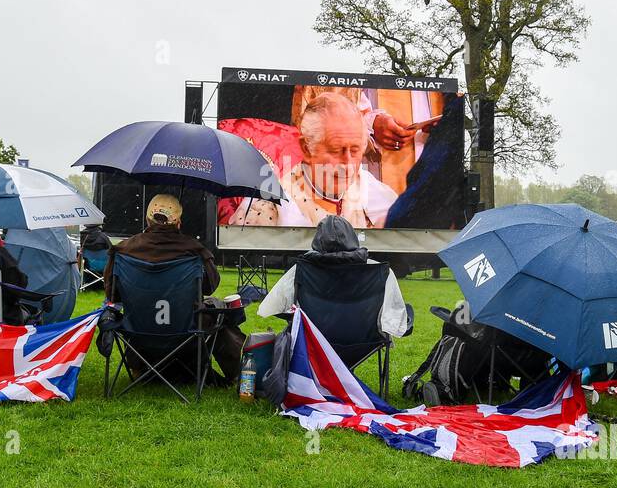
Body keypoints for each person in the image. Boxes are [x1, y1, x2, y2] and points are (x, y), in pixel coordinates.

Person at [108, 194, 242, 383]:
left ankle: (139, 367)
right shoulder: (194, 250)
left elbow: (112, 294)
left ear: (147, 218)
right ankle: (236, 375)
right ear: (178, 221)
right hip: (185, 333)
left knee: (131, 314)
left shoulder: (122, 250)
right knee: (219, 312)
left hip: (138, 331)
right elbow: (210, 287)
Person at [232, 92, 399, 228]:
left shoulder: (375, 193)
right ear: (306, 148)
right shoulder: (267, 207)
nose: (347, 164)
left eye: (355, 151)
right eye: (335, 151)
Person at [258, 214, 411, 337]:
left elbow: (270, 307)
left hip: (314, 341)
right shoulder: (379, 271)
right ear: (353, 238)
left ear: (317, 240)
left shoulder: (300, 270)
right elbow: (395, 319)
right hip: (364, 342)